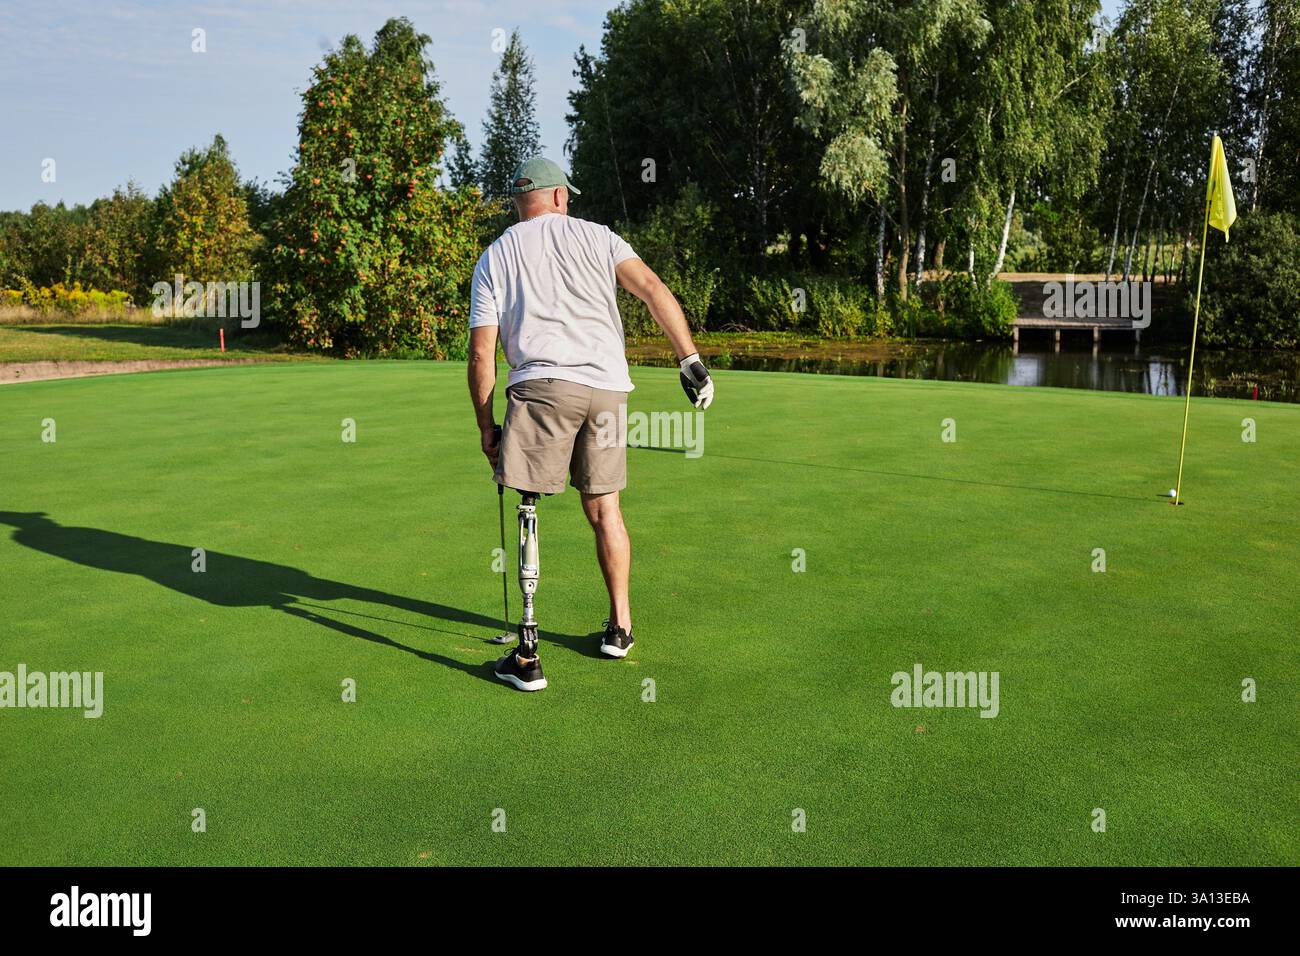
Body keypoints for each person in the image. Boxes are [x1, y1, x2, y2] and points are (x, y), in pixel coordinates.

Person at [467, 155, 713, 691]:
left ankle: (528, 657)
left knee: (529, 504)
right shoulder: (600, 237)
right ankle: (619, 628)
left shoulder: (496, 254)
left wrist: (486, 425)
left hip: (543, 386)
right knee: (605, 509)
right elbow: (650, 287)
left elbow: (482, 354)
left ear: (520, 201)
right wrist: (688, 358)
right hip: (606, 389)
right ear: (558, 196)